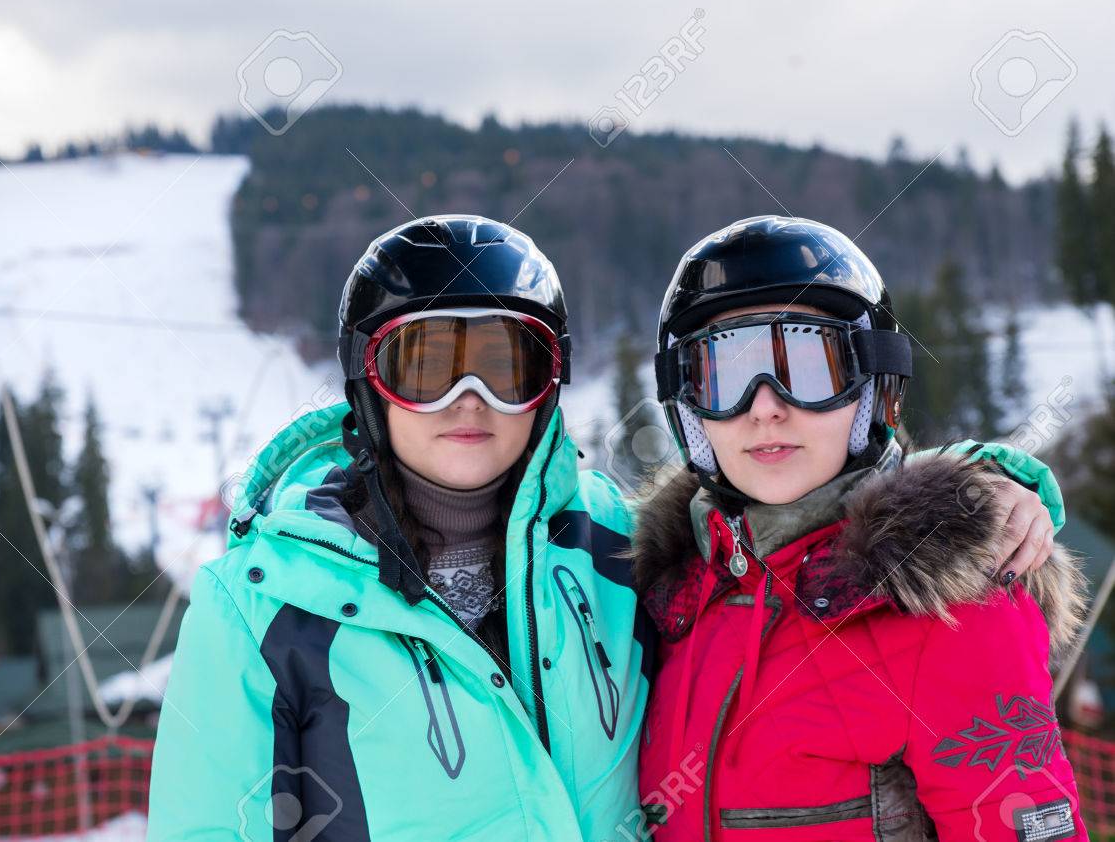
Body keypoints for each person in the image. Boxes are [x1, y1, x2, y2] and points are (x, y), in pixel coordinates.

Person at [148, 214, 1067, 841]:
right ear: (367, 383)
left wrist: (990, 491)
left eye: (507, 364)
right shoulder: (266, 602)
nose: (765, 407)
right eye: (427, 364)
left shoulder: (609, 562)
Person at [634, 215, 1087, 841]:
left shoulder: (951, 606)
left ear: (871, 391)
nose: (765, 406)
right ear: (688, 404)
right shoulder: (666, 601)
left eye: (807, 367)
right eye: (727, 373)